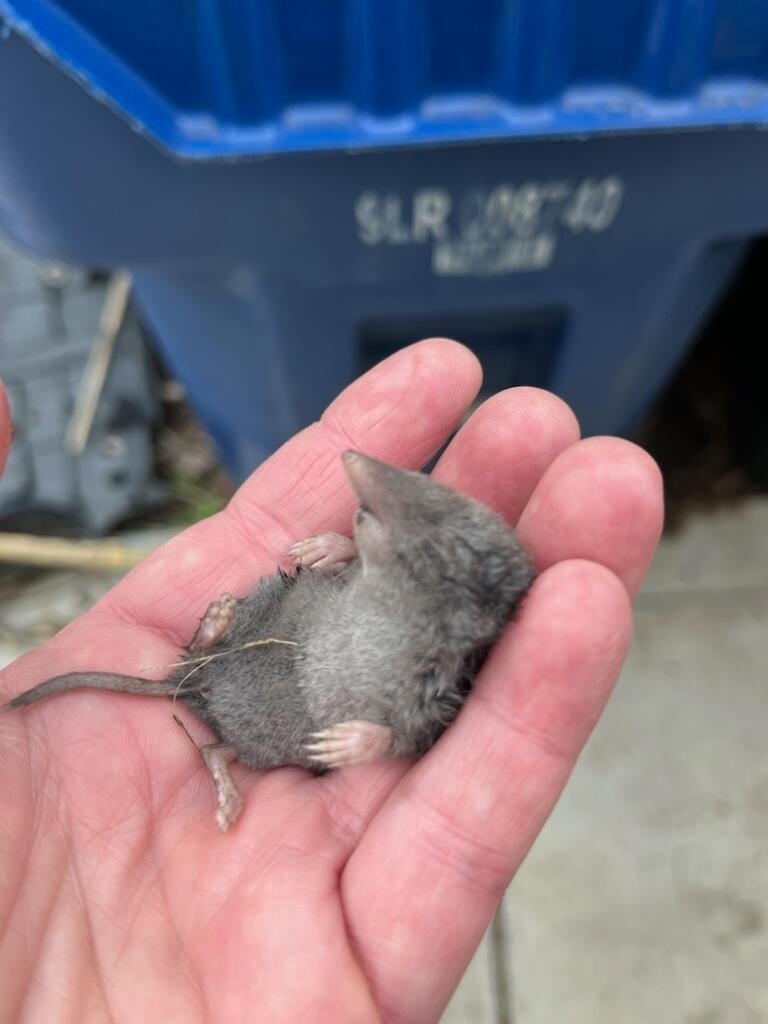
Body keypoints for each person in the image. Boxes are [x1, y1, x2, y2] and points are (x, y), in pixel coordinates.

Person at [0, 340, 663, 1022]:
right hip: (291, 626)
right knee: (260, 616)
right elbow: (358, 569)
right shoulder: (400, 591)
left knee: (260, 721)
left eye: (377, 529)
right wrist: (348, 551)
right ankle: (208, 661)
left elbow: (427, 720)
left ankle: (220, 747)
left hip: (294, 702)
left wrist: (380, 740)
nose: (359, 489)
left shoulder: (438, 663)